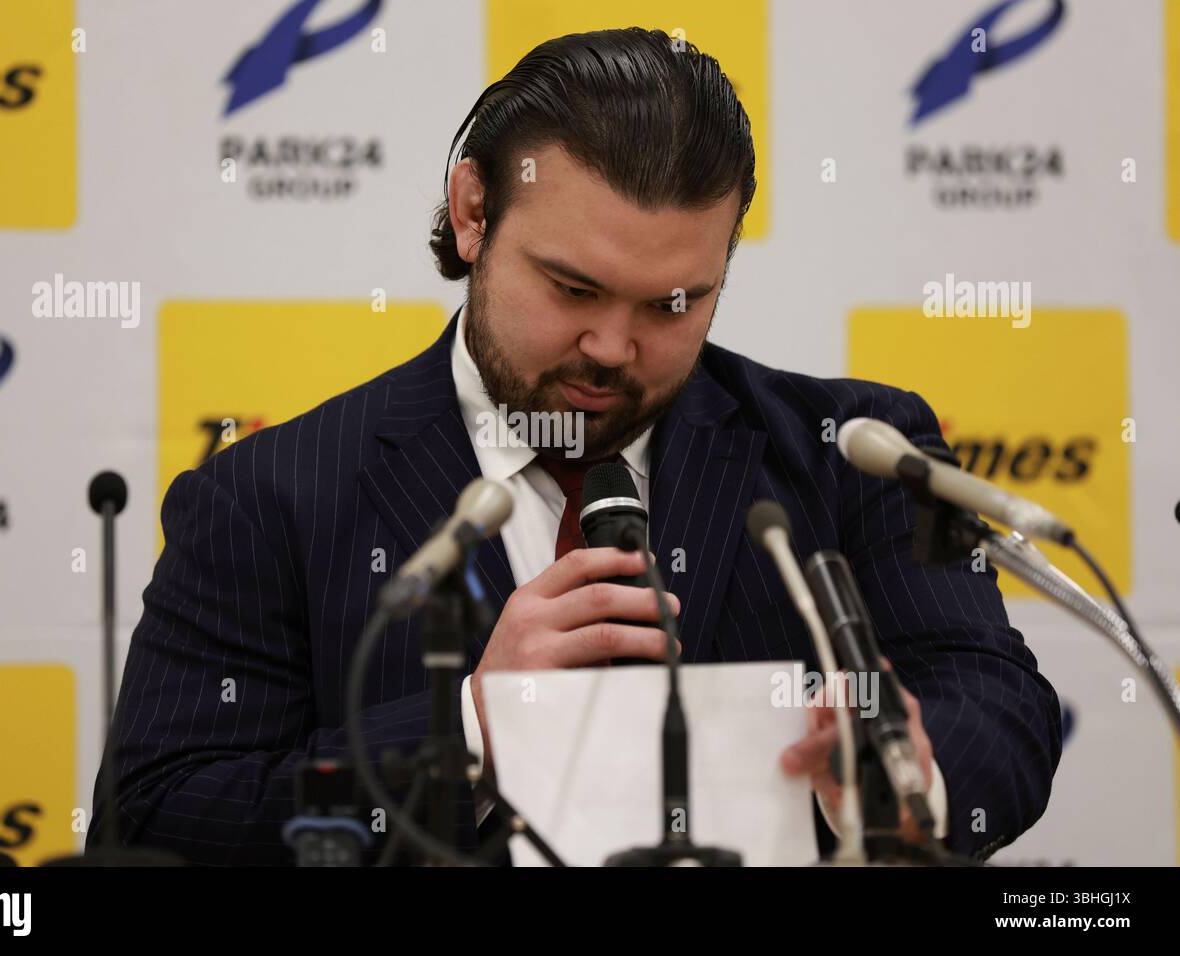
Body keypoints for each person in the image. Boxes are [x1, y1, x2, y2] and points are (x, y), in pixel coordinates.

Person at [91, 28, 1060, 865]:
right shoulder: (268, 494)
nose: (611, 346)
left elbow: (997, 707)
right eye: (572, 288)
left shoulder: (849, 454)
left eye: (673, 302)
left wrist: (904, 774)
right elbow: (161, 818)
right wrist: (467, 728)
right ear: (472, 213)